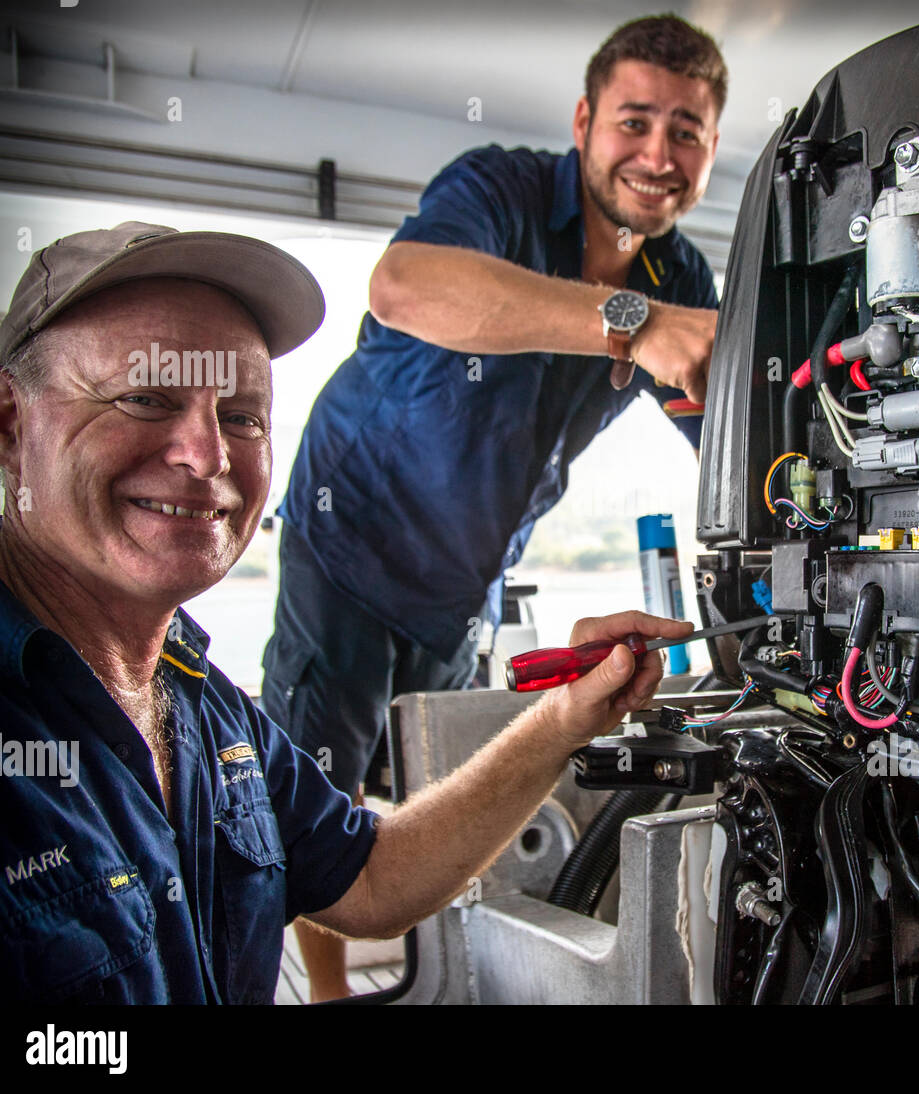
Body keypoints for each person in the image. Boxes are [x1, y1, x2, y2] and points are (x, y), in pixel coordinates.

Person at [0, 221, 693, 1004]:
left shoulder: (207, 709)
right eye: (146, 397)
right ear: (9, 422)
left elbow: (373, 878)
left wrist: (564, 718)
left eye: (242, 416)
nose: (208, 454)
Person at [260, 14, 727, 997]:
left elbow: (725, 434)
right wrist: (631, 324)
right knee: (319, 786)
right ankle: (332, 991)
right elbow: (403, 286)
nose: (657, 153)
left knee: (442, 783)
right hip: (349, 531)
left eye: (686, 130)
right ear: (583, 121)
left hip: (466, 567)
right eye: (634, 121)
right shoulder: (499, 188)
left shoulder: (677, 275)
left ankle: (432, 974)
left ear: (713, 149)